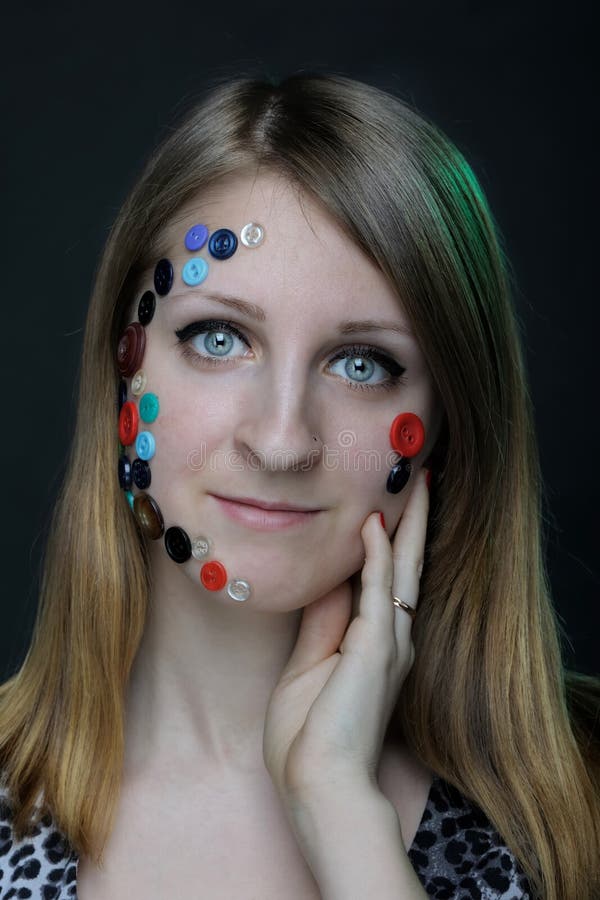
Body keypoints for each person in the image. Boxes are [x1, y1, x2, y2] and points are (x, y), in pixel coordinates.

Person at [0, 72, 598, 900]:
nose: (281, 441)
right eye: (218, 338)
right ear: (121, 370)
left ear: (448, 424)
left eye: (362, 364)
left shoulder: (582, 807)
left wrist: (342, 816)